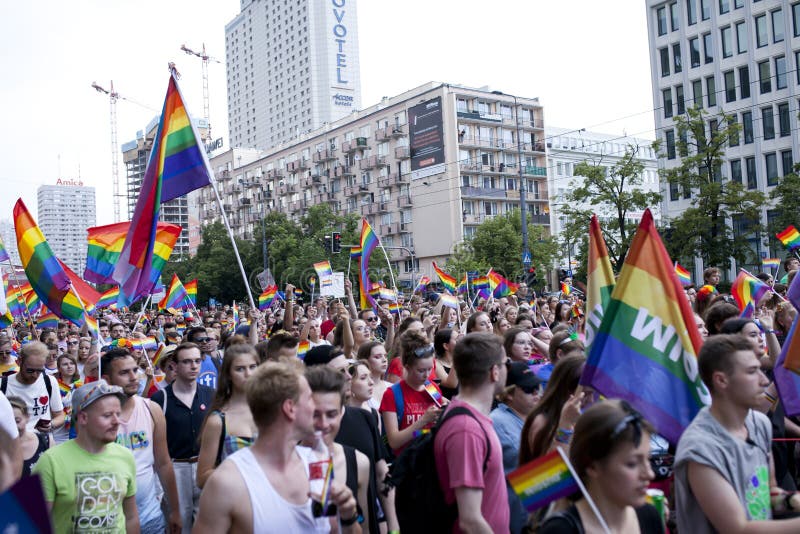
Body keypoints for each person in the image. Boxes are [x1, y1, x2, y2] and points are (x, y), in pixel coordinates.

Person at [193, 361, 362, 533]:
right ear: (290, 408)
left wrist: (348, 517)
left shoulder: (316, 463)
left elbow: (330, 529)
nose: (316, 407)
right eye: (309, 398)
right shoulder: (227, 481)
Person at [674, 335, 800, 532]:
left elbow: (766, 494)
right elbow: (737, 529)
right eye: (752, 371)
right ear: (721, 380)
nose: (764, 380)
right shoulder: (700, 448)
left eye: (760, 369)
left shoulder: (760, 424)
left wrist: (793, 500)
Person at [539, 400, 664, 534]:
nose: (649, 474)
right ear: (592, 466)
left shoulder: (650, 516)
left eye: (648, 459)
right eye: (632, 463)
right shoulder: (560, 530)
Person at [33, 379, 139, 533]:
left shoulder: (125, 456)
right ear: (83, 418)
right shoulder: (50, 462)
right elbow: (33, 523)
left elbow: (131, 517)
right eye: (107, 415)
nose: (117, 421)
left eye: (118, 414)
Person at [434, 332, 510, 533]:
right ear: (495, 372)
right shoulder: (466, 429)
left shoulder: (472, 420)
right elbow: (470, 521)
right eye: (506, 363)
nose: (508, 369)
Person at [102, 348, 182, 534]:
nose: (133, 377)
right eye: (124, 372)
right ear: (107, 379)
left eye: (135, 370)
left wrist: (175, 510)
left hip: (150, 517)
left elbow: (163, 463)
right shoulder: (96, 416)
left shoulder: (151, 409)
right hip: (110, 521)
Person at [150, 343, 215, 534]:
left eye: (197, 361)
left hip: (204, 466)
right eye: (187, 361)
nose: (194, 366)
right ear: (174, 366)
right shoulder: (160, 399)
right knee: (179, 524)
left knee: (207, 524)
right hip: (175, 469)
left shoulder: (210, 394)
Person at [306, 366, 372, 529]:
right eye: (315, 414)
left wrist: (349, 516)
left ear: (342, 413)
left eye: (331, 414)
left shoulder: (359, 462)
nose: (323, 424)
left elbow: (364, 528)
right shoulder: (283, 463)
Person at [197, 344, 259, 488]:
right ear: (228, 374)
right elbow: (202, 478)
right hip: (234, 496)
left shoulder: (270, 411)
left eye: (252, 367)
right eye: (240, 369)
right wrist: (243, 473)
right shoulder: (217, 420)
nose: (248, 374)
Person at [381, 330, 445, 455]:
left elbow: (435, 425)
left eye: (430, 369)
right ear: (407, 367)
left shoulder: (432, 388)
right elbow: (394, 441)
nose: (427, 375)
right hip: (407, 460)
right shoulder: (392, 394)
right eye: (421, 370)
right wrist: (423, 421)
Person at [520, 354, 587, 464]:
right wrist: (565, 427)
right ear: (567, 390)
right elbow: (552, 468)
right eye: (586, 394)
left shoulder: (580, 416)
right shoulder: (542, 421)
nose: (591, 400)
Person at [1, 341, 65, 433]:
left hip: (42, 439)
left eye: (39, 371)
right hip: (14, 440)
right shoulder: (3, 385)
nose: (35, 375)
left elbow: (60, 415)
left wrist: (51, 425)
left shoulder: (50, 381)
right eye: (30, 371)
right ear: (19, 361)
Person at [491, 361, 543, 474]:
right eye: (528, 388)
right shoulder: (497, 421)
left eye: (536, 387)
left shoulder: (540, 414)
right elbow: (529, 462)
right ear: (509, 393)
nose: (536, 393)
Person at [8, 395, 52, 477]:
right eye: (9, 422)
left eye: (17, 421)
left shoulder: (46, 441)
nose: (14, 426)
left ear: (27, 417)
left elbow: (57, 473)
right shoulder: (3, 449)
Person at [53, 353, 82, 444]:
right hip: (57, 432)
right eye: (65, 364)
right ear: (59, 368)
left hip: (75, 432)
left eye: (72, 363)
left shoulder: (80, 385)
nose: (69, 366)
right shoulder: (54, 385)